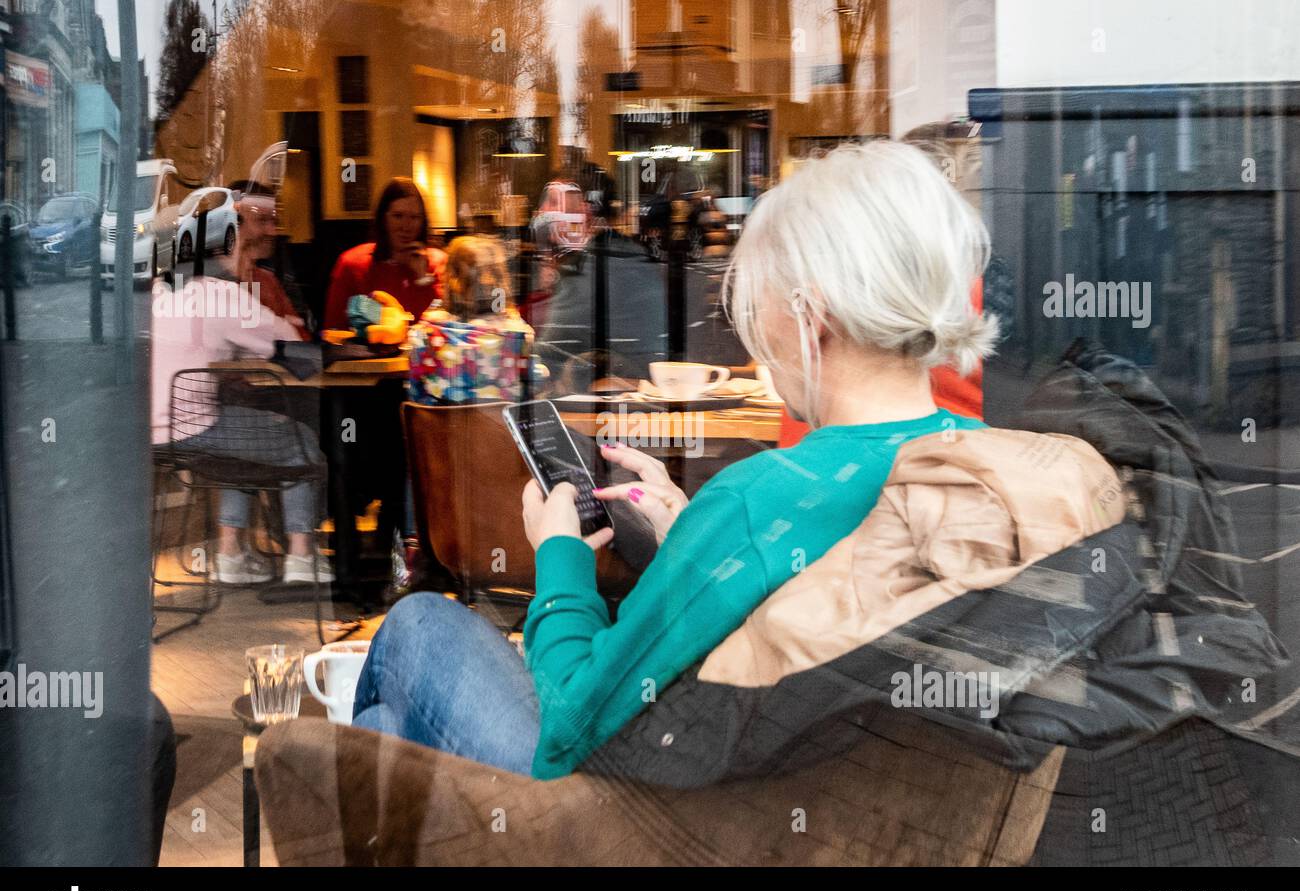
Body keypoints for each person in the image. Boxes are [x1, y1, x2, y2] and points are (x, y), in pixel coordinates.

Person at [351, 140, 998, 778]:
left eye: (763, 292)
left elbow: (570, 718)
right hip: (816, 790)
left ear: (814, 310)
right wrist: (690, 544)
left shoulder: (758, 500)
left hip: (625, 811)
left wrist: (560, 556)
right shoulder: (988, 470)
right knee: (388, 731)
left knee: (418, 622)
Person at [150, 180, 333, 585]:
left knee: (249, 439)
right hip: (195, 430)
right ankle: (302, 559)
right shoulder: (217, 294)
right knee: (300, 440)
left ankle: (231, 556)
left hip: (152, 436)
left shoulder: (158, 291)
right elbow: (289, 343)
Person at [323, 177, 446, 330]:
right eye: (398, 216)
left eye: (414, 217)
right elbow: (333, 329)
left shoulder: (438, 262)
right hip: (369, 351)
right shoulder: (352, 263)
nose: (406, 226)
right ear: (384, 218)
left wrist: (423, 279)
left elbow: (445, 325)